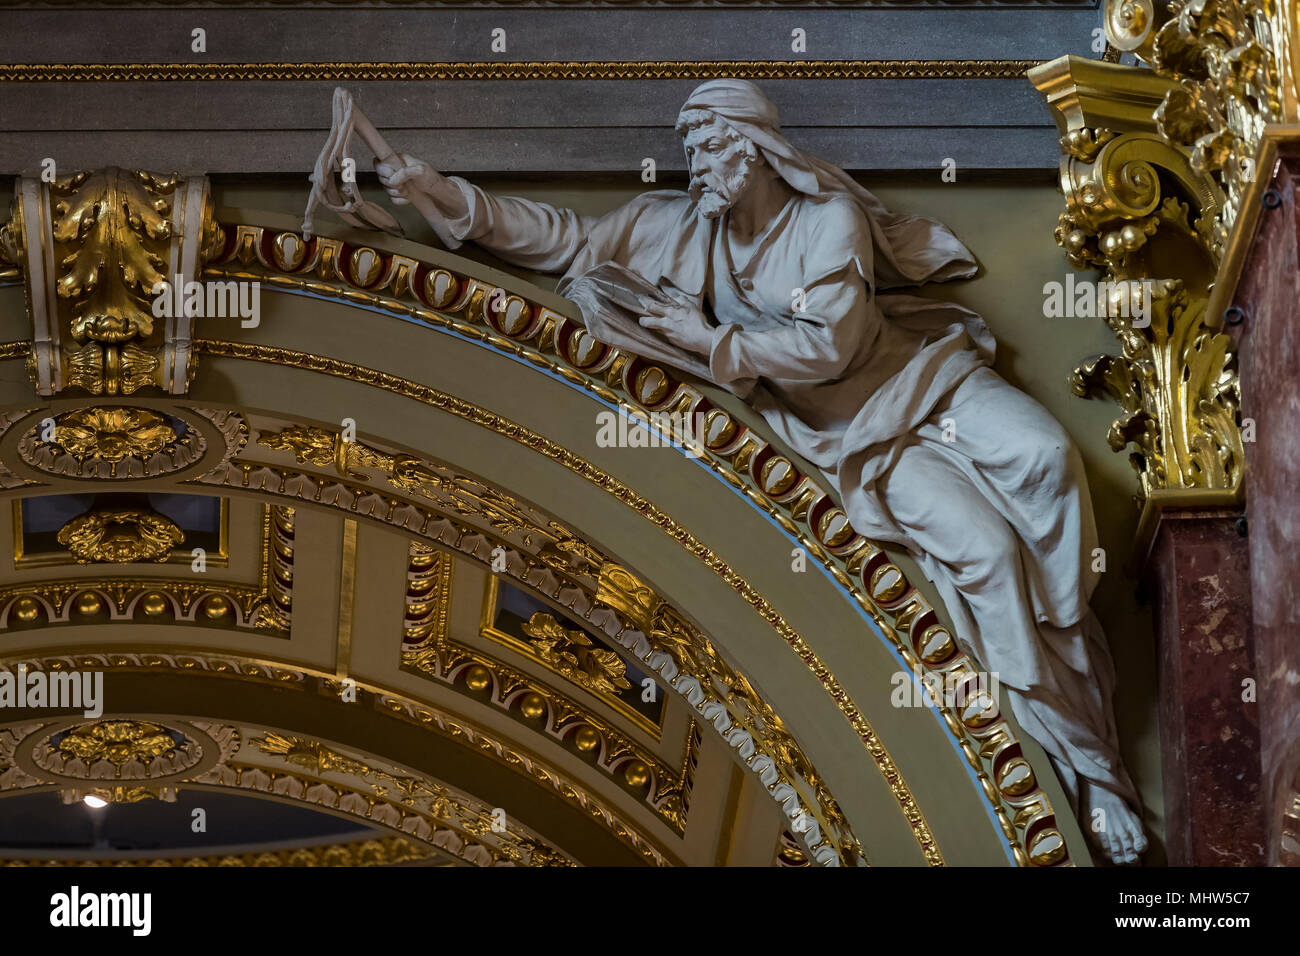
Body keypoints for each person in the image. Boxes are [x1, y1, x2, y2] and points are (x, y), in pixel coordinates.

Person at [374, 78, 1148, 865]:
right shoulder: (676, 229)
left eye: (709, 148)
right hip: (853, 442)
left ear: (755, 148)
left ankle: (1059, 634)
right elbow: (567, 240)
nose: (698, 166)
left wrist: (710, 340)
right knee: (982, 551)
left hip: (918, 382)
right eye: (690, 151)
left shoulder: (826, 221)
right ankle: (1090, 764)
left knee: (1047, 454)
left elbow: (833, 346)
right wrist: (441, 195)